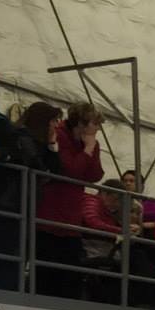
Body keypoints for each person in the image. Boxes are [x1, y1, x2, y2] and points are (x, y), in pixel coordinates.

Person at [35, 103, 107, 299]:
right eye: (95, 124)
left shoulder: (90, 143)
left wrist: (89, 148)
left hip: (71, 218)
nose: (98, 129)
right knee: (47, 271)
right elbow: (70, 169)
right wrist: (88, 149)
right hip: (50, 214)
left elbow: (95, 174)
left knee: (71, 274)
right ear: (82, 123)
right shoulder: (60, 135)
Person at [0, 100, 55, 291]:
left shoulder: (34, 141)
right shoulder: (23, 137)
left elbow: (56, 168)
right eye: (53, 121)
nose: (55, 126)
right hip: (12, 201)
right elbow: (37, 166)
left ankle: (8, 286)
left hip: (21, 202)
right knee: (9, 249)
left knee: (17, 250)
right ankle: (3, 288)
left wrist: (52, 145)